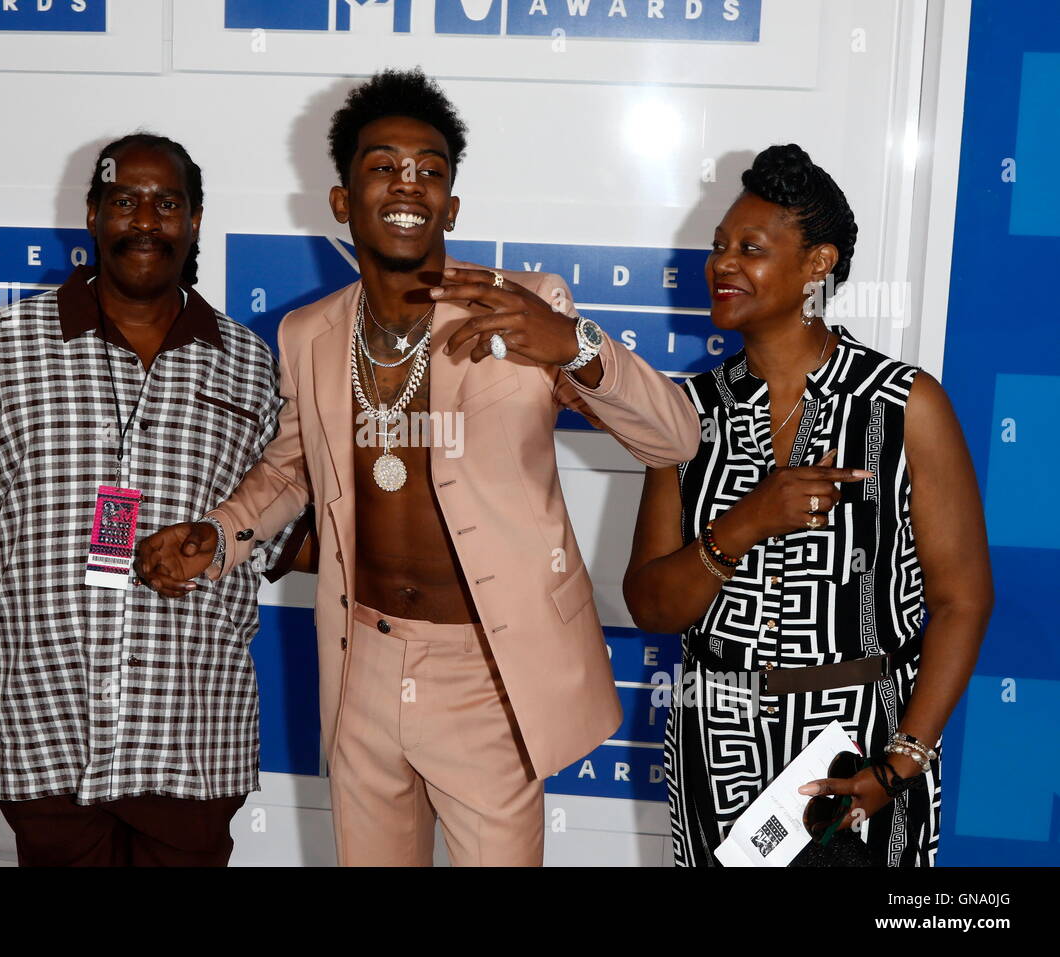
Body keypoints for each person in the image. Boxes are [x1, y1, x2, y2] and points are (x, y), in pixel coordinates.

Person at [136, 69, 700, 866]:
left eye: (431, 170)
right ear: (341, 200)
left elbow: (674, 438)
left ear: (452, 206)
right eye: (384, 165)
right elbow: (295, 466)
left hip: (488, 668)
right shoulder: (306, 333)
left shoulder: (525, 305)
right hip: (360, 657)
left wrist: (572, 344)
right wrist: (224, 532)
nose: (410, 184)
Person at [0, 133, 301, 866]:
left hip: (193, 744)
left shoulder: (251, 367)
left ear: (197, 219)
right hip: (47, 736)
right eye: (124, 200)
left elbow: (284, 528)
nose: (146, 219)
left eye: (168, 202)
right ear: (92, 214)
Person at [623, 144, 992, 866]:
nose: (722, 263)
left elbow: (963, 600)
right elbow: (650, 605)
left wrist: (902, 762)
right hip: (714, 742)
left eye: (750, 248)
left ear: (817, 265)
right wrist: (744, 524)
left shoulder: (903, 405)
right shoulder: (684, 413)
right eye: (718, 246)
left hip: (857, 749)